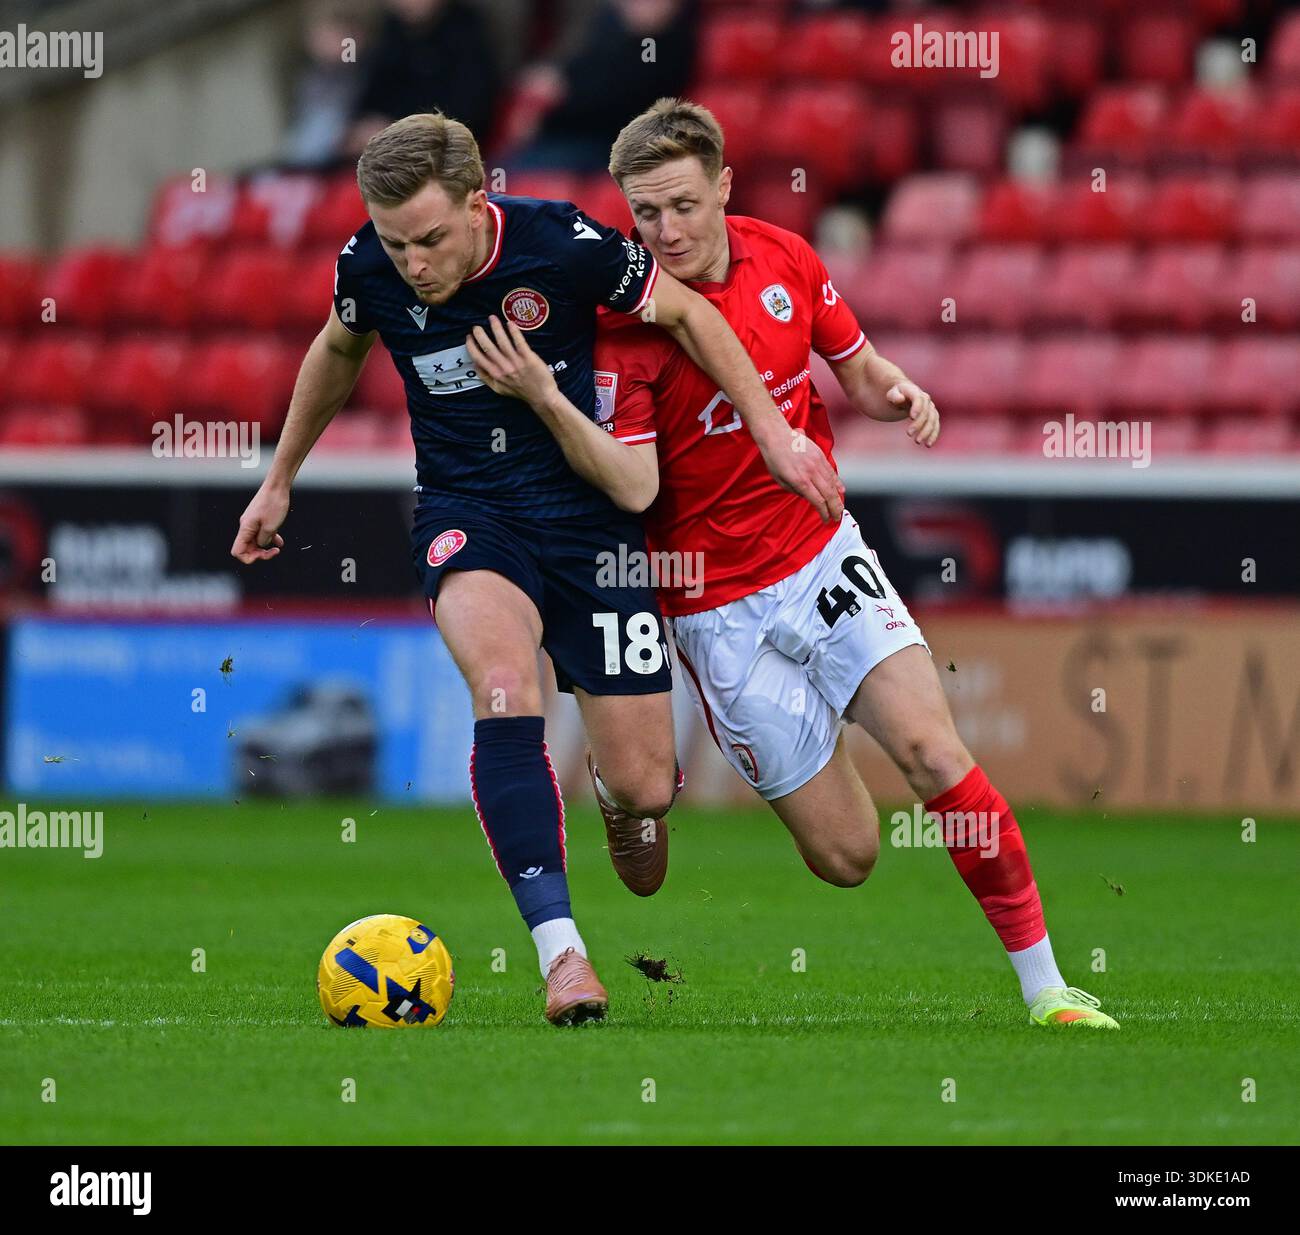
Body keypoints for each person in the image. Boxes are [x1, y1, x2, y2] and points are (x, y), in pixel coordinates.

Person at [475, 98, 1119, 1030]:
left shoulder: (785, 257)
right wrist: (544, 393)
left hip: (823, 559)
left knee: (937, 752)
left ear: (724, 186)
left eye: (684, 206)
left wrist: (895, 389)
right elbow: (629, 486)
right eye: (645, 214)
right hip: (716, 607)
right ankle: (626, 791)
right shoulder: (624, 331)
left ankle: (1048, 991)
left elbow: (853, 368)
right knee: (850, 856)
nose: (666, 231)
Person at [231, 111, 844, 1026]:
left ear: (482, 206)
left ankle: (609, 792)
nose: (413, 263)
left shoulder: (565, 244)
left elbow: (687, 313)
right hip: (469, 515)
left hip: (593, 523)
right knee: (507, 688)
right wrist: (279, 479)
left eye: (432, 238)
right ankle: (563, 958)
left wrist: (773, 431)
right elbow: (336, 346)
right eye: (397, 243)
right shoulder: (368, 263)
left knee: (644, 785)